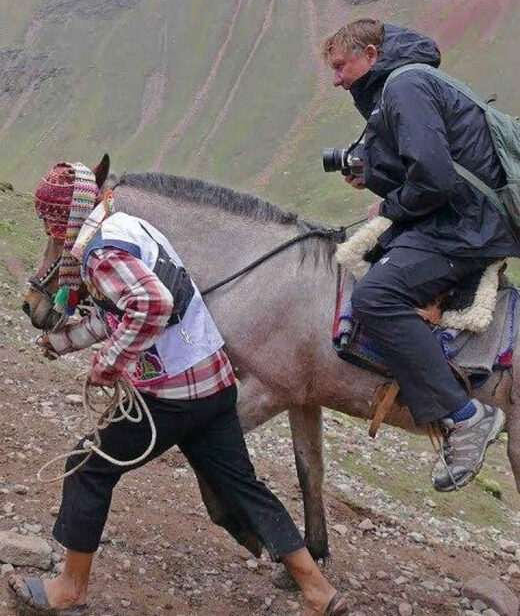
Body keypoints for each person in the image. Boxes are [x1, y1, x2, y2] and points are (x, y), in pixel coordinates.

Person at [9, 161, 348, 616]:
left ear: (62, 219)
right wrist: (61, 342)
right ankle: (319, 592)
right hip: (213, 385)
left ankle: (70, 589)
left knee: (87, 468)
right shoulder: (129, 227)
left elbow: (152, 304)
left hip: (170, 397)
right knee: (244, 487)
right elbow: (117, 312)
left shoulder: (101, 253)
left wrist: (110, 364)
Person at [321, 19, 520, 492]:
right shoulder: (403, 83)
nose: (336, 79)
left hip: (468, 226)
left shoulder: (405, 85)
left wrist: (386, 206)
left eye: (340, 66)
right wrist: (374, 175)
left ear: (370, 53)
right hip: (456, 218)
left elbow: (433, 179)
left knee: (376, 297)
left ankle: (466, 416)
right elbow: (429, 166)